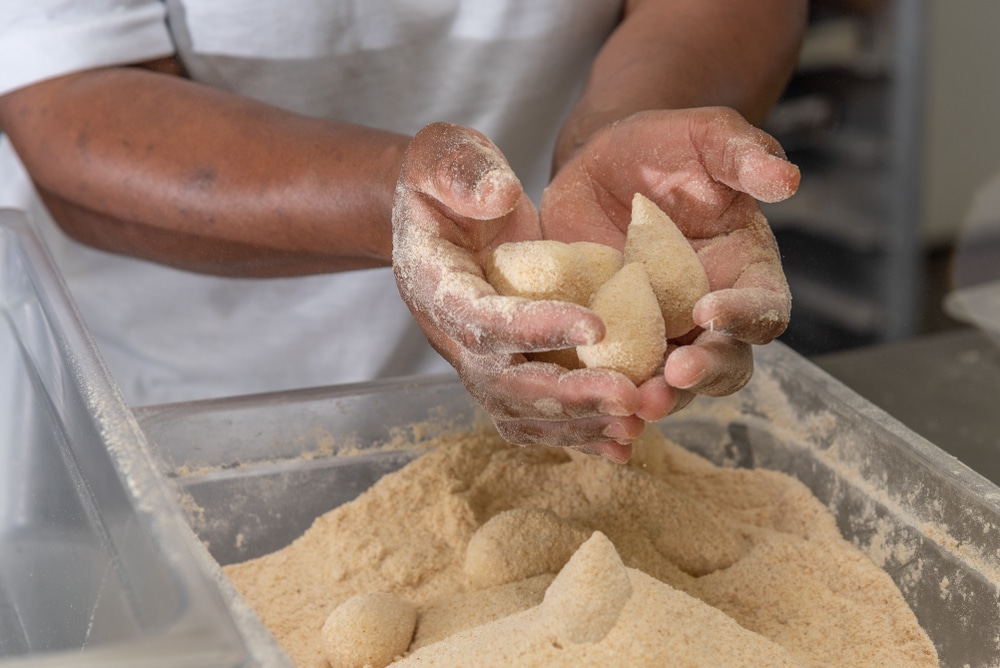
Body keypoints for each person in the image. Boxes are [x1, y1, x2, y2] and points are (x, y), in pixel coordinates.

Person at [0, 0, 806, 462]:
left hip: (546, 355)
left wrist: (628, 125)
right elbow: (65, 99)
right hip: (183, 404)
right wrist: (403, 203)